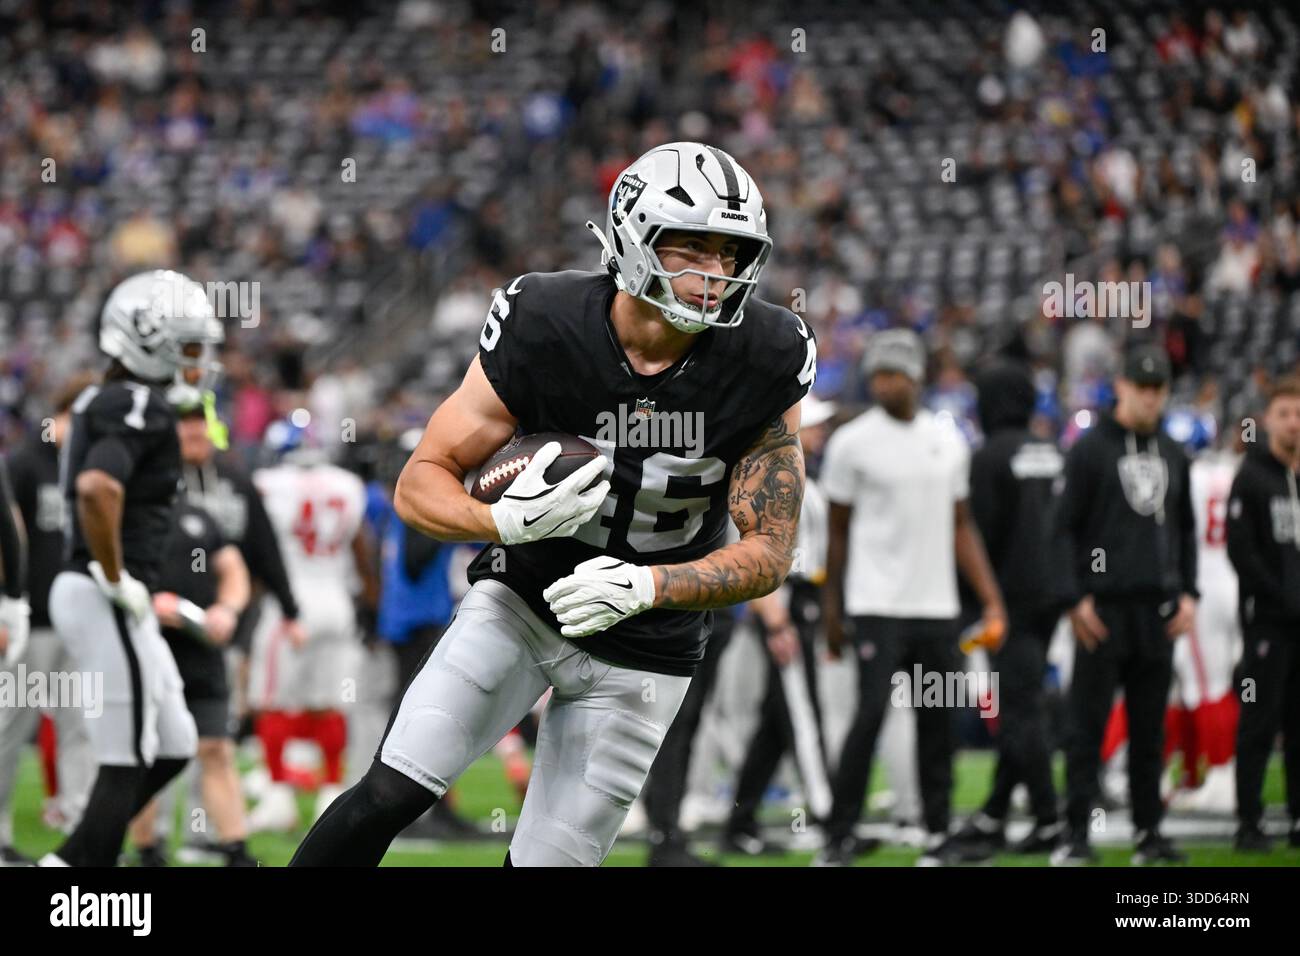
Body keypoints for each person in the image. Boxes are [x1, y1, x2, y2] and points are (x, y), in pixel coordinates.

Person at [290, 141, 816, 867]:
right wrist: (497, 521)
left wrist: (645, 585)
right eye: (690, 248)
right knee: (392, 790)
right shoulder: (545, 318)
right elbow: (422, 481)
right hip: (523, 602)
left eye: (730, 254)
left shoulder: (769, 350)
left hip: (650, 642)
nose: (713, 274)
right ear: (633, 240)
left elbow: (770, 553)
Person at [40, 269, 224, 867]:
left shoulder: (114, 397)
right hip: (103, 588)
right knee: (129, 752)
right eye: (190, 346)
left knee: (174, 743)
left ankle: (73, 859)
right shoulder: (137, 402)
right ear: (150, 338)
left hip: (106, 590)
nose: (199, 361)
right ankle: (73, 888)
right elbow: (98, 488)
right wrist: (115, 574)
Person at [817, 329, 1005, 867]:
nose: (883, 383)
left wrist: (992, 599)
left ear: (916, 377)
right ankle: (839, 835)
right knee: (869, 717)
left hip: (937, 607)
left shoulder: (947, 440)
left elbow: (962, 527)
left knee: (938, 721)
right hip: (876, 605)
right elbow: (837, 532)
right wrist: (833, 611)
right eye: (876, 374)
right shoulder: (853, 442)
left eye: (892, 374)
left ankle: (939, 833)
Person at [1053, 344, 1198, 866]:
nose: (1151, 397)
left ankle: (1148, 833)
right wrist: (1075, 598)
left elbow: (1186, 531)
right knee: (1086, 728)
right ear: (1122, 387)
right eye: (1142, 387)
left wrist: (1189, 594)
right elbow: (1064, 530)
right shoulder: (1091, 449)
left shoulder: (1175, 452)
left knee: (1149, 730)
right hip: (1103, 611)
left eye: (1159, 389)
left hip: (1156, 611)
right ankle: (1076, 835)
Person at [952, 359, 1065, 855]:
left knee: (1020, 714)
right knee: (1027, 703)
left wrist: (973, 602)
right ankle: (997, 811)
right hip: (1055, 598)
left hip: (1009, 603)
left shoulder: (989, 456)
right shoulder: (1052, 450)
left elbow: (979, 536)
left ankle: (1048, 818)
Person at [245, 416, 378, 830]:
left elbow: (258, 546)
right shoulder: (346, 485)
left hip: (291, 602)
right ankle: (329, 793)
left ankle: (278, 795)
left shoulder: (267, 484)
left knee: (275, 702)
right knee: (330, 704)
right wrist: (370, 601)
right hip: (336, 600)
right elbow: (362, 546)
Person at [722, 393, 837, 856]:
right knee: (803, 715)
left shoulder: (800, 474)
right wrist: (774, 617)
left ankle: (740, 822)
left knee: (778, 721)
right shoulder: (771, 475)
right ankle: (831, 815)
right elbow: (755, 549)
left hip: (800, 599)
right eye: (816, 425)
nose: (822, 433)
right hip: (785, 601)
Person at [127, 492, 254, 866]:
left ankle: (236, 849)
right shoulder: (123, 511)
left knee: (216, 748)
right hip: (145, 646)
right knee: (146, 752)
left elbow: (233, 569)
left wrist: (227, 610)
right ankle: (148, 849)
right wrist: (142, 602)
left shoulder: (198, 515)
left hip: (200, 651)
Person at [0, 377, 96, 865]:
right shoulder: (23, 462)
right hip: (28, 618)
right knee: (11, 726)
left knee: (80, 725)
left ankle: (80, 826)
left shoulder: (91, 463)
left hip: (77, 622)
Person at [1226, 375, 1300, 851]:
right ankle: (1249, 821)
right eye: (1284, 414)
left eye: (1298, 414)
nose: (1293, 423)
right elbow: (1242, 552)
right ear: (1267, 420)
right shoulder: (1252, 476)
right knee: (1257, 718)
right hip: (1267, 625)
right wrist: (1280, 598)